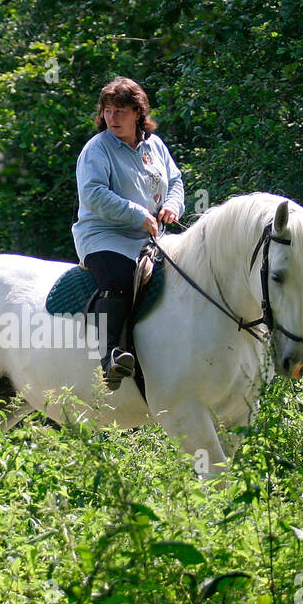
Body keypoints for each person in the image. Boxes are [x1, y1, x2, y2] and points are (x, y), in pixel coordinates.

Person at [73, 77, 185, 389]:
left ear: (138, 112)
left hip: (150, 237)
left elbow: (174, 181)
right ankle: (110, 357)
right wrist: (139, 214)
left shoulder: (155, 144)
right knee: (120, 278)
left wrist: (173, 206)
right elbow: (93, 195)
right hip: (104, 236)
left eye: (120, 111)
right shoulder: (97, 150)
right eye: (107, 111)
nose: (112, 118)